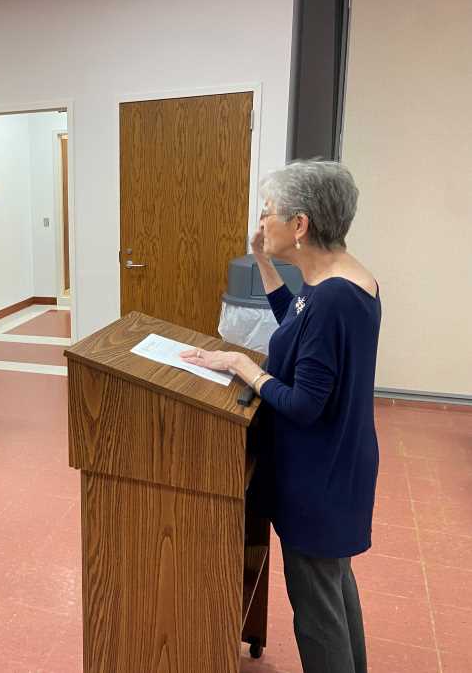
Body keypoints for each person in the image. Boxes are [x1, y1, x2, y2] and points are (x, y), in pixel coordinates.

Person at [181, 160, 379, 673]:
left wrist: (242, 365)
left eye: (267, 213)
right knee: (334, 586)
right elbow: (296, 318)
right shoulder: (338, 281)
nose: (260, 223)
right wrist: (263, 263)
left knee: (317, 611)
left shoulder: (334, 298)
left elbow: (304, 404)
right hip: (339, 466)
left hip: (319, 476)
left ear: (300, 225)